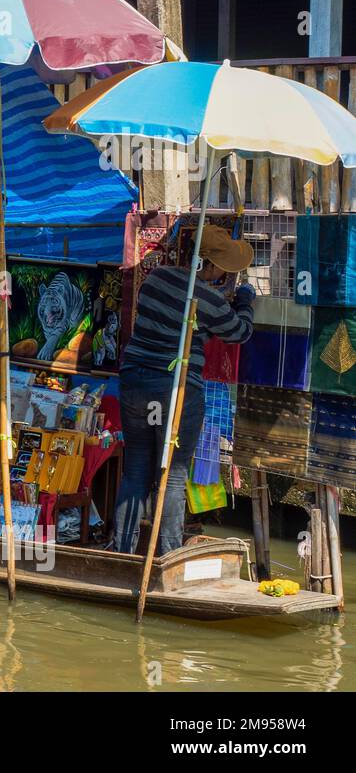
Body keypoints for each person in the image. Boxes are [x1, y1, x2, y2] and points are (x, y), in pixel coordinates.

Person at [111, 225, 255, 557]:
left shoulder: (156, 279)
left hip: (135, 382)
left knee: (136, 469)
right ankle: (170, 555)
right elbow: (240, 332)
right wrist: (244, 302)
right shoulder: (207, 300)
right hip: (173, 389)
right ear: (211, 265)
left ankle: (122, 551)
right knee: (172, 475)